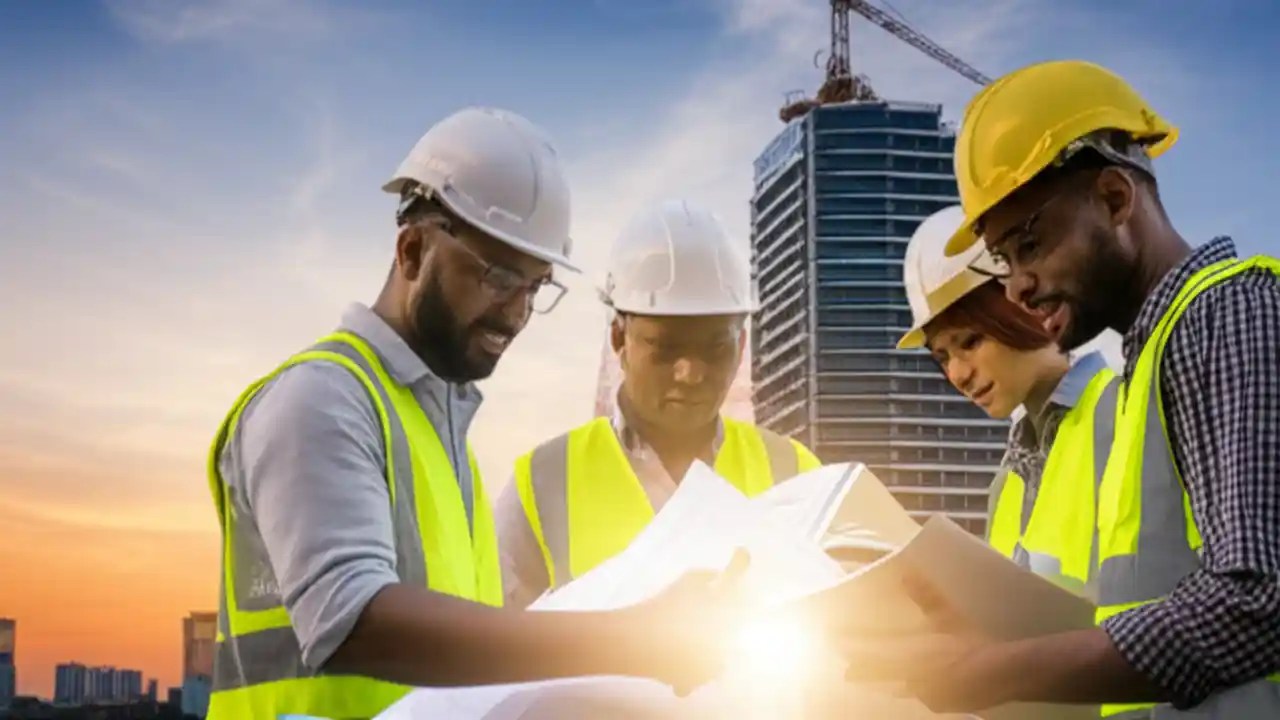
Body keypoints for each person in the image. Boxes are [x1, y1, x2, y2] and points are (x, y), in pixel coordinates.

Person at [205, 108, 747, 719]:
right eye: (497, 278)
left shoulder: (442, 437)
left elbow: (474, 671)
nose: (515, 315)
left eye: (534, 289)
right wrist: (629, 639)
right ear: (412, 251)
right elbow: (355, 620)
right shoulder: (320, 400)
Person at [839, 59, 1280, 717]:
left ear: (1113, 199)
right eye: (1005, 261)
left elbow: (1259, 600)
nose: (1018, 284)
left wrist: (993, 670)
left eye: (1030, 243)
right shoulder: (1149, 373)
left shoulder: (1230, 313)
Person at [495, 198, 821, 607]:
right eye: (665, 348)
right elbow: (495, 648)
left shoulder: (795, 473)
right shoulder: (543, 483)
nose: (690, 373)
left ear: (740, 345)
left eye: (715, 348)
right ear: (619, 339)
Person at [899, 204, 1119, 602]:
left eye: (970, 341)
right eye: (942, 357)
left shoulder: (1123, 415)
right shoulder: (1008, 482)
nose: (958, 375)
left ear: (1025, 301)